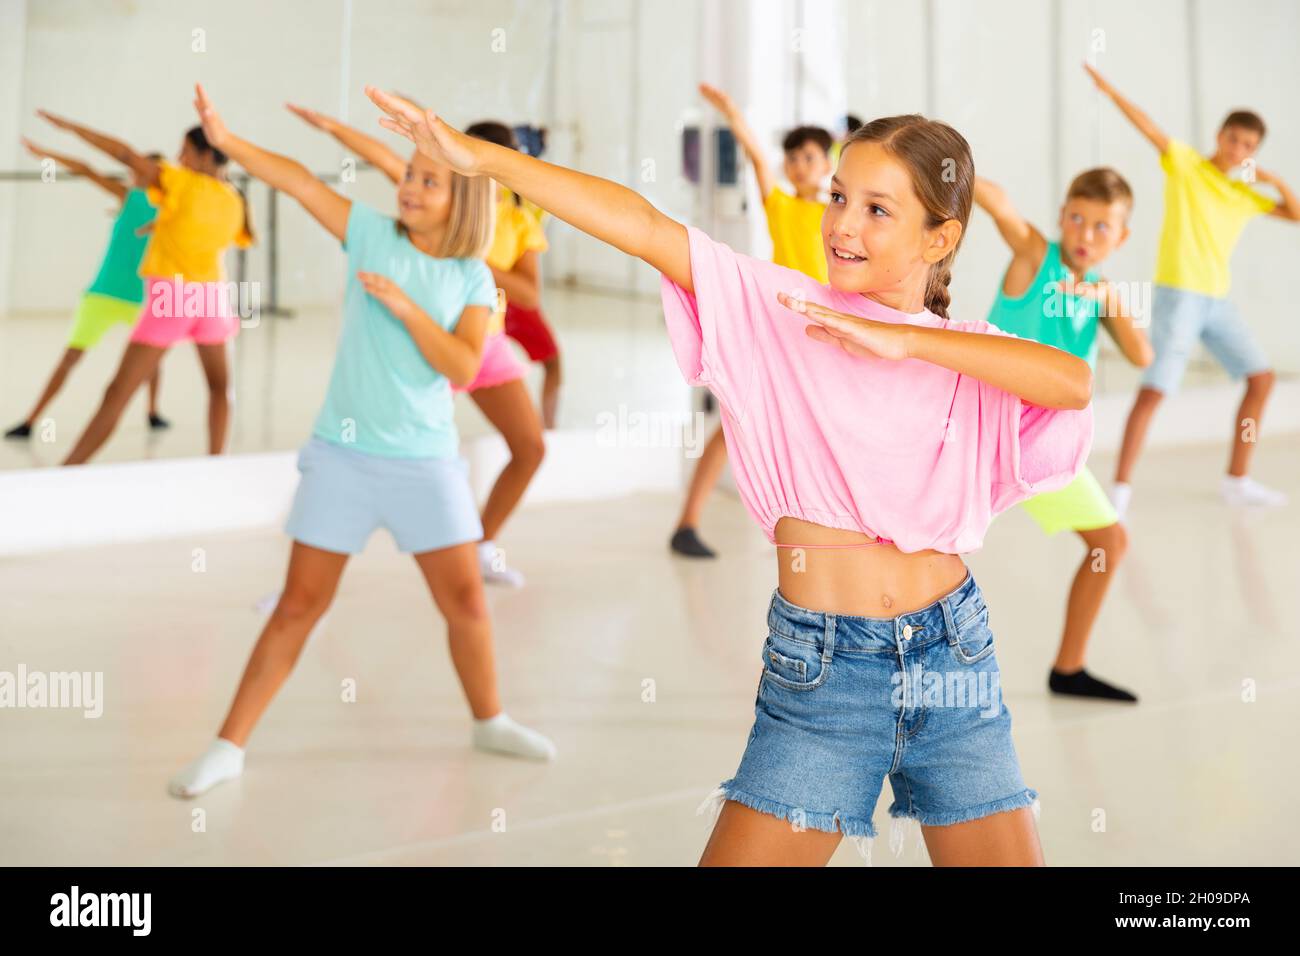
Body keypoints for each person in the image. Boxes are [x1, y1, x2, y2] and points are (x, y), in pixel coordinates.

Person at [369, 88, 1094, 866]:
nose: (842, 225)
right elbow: (643, 226)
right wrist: (483, 158)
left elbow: (1071, 382)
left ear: (938, 237)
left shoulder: (966, 353)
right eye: (838, 198)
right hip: (824, 675)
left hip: (953, 661)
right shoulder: (777, 307)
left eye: (877, 211)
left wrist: (906, 344)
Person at [168, 86, 554, 800]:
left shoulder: (469, 275)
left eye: (427, 179)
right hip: (342, 458)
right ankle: (228, 745)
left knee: (467, 603)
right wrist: (231, 140)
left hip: (426, 465)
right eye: (409, 174)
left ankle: (490, 719)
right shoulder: (369, 233)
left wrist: (406, 308)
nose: (409, 185)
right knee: (296, 606)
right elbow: (297, 180)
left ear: (460, 198)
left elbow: (465, 367)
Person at [1086, 64, 1300, 516]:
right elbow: (1150, 128)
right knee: (1155, 389)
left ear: (1253, 152)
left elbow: (1294, 214)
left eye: (1248, 146)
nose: (1238, 149)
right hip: (1179, 296)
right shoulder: (1188, 166)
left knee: (1260, 380)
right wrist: (1109, 89)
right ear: (1221, 136)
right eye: (1233, 139)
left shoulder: (1244, 195)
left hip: (1216, 303)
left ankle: (1237, 480)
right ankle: (1119, 492)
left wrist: (1276, 180)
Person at [975, 168, 1153, 702]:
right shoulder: (1036, 257)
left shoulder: (1098, 290)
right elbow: (1001, 206)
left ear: (1121, 239)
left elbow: (1143, 354)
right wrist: (945, 164)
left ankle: (1068, 669)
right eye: (1077, 218)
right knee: (926, 548)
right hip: (992, 437)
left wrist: (1102, 296)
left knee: (1109, 542)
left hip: (1041, 451)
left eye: (1102, 227)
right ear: (1060, 217)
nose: (1085, 234)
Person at [5, 137, 167, 440]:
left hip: (142, 298)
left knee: (151, 362)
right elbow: (86, 169)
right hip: (102, 295)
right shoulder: (128, 196)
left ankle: (152, 412)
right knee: (70, 358)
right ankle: (30, 420)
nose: (138, 172)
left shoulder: (171, 208)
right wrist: (47, 152)